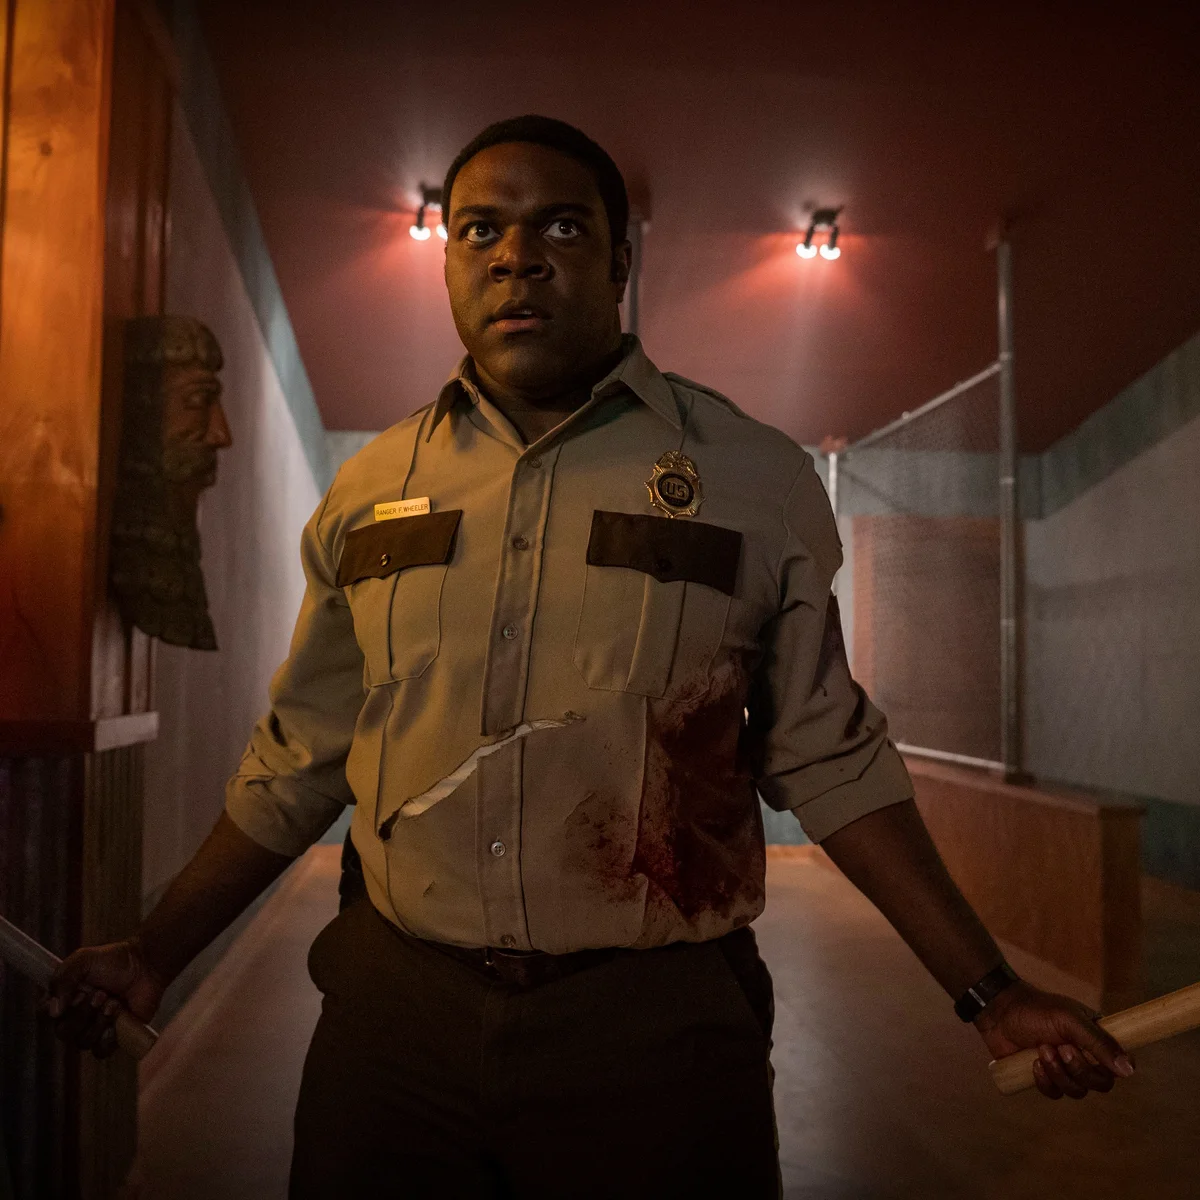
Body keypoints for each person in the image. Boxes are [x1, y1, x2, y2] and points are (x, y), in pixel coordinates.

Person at [47, 116, 1134, 1198]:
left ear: (619, 264)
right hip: (392, 1030)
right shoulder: (371, 489)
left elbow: (829, 755)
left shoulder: (753, 480)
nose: (515, 257)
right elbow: (300, 758)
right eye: (479, 230)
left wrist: (990, 992)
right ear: (450, 262)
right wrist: (155, 951)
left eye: (560, 227)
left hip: (657, 1042)